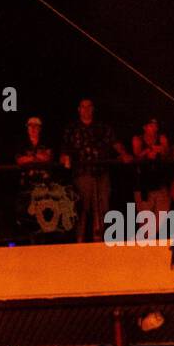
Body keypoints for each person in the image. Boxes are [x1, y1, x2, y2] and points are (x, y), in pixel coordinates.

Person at [60, 98, 130, 242]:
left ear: (93, 109)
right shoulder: (72, 129)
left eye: (89, 106)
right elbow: (64, 149)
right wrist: (64, 158)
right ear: (79, 109)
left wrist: (123, 154)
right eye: (83, 107)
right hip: (82, 174)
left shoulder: (102, 127)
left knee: (102, 207)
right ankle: (80, 241)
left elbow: (115, 143)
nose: (86, 109)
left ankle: (99, 240)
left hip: (101, 173)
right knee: (82, 208)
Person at [131, 118, 171, 216]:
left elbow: (167, 154)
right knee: (145, 217)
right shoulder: (138, 139)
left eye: (155, 125)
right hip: (143, 183)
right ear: (145, 127)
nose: (154, 128)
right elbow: (136, 156)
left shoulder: (161, 138)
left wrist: (162, 149)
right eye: (151, 125)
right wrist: (149, 151)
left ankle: (152, 231)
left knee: (162, 213)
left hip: (160, 181)